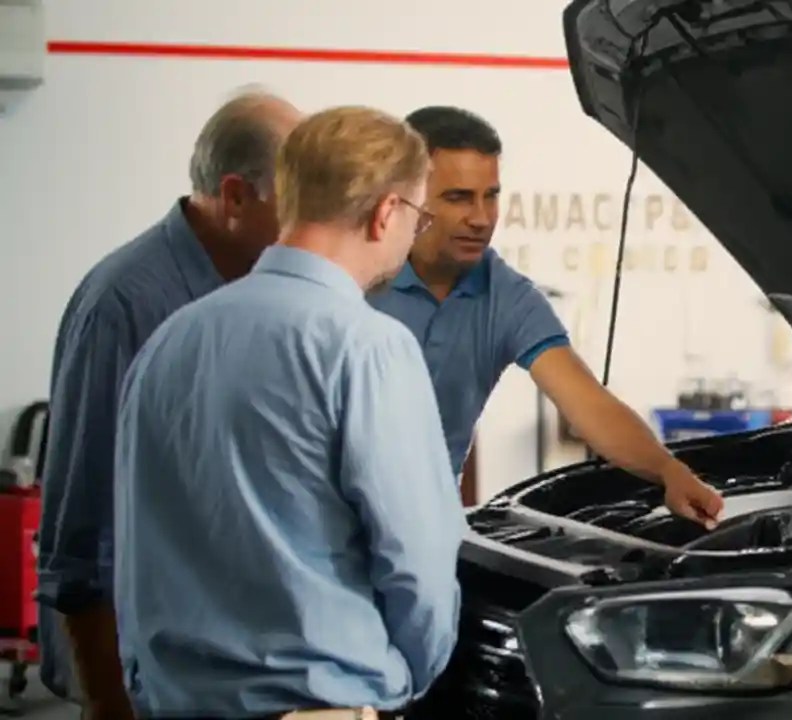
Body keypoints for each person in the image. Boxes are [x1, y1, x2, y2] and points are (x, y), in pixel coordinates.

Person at [112, 105, 463, 719]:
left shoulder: (170, 339)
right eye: (420, 216)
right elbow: (419, 566)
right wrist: (400, 679)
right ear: (388, 213)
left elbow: (132, 541)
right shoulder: (369, 348)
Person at [36, 89, 303, 719]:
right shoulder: (126, 305)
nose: (311, 219)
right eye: (296, 197)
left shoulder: (259, 293)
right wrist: (110, 705)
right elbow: (82, 533)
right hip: (137, 682)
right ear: (235, 196)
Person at [368, 106, 725, 528]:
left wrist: (670, 472)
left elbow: (587, 402)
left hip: (424, 533)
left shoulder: (508, 297)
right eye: (458, 197)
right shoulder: (357, 278)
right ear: (409, 195)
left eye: (492, 195)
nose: (481, 218)